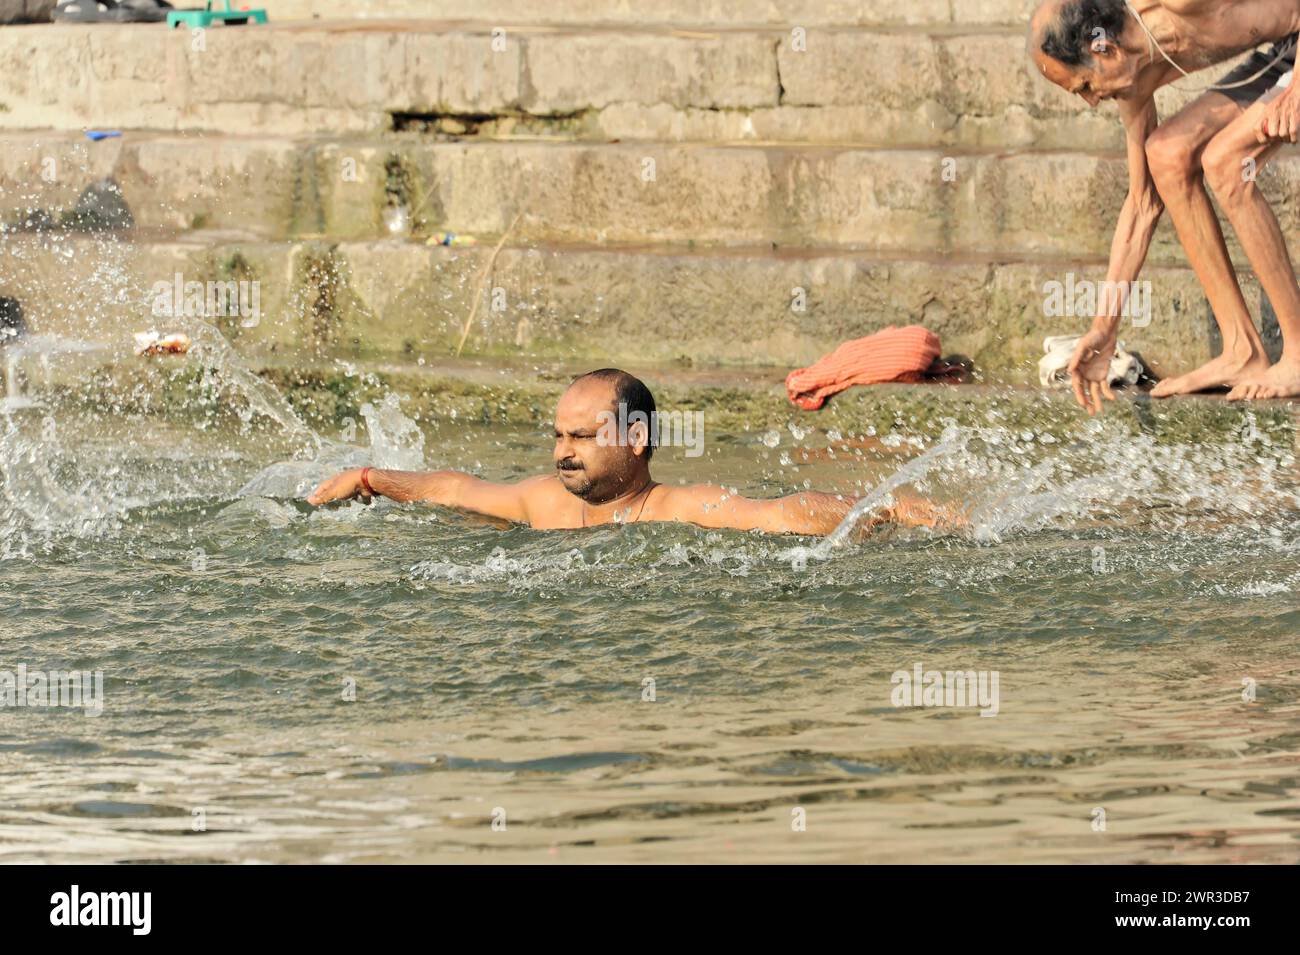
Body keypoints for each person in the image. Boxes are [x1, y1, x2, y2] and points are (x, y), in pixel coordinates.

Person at [1028, 0, 1300, 410]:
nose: (1090, 101)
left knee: (1225, 163)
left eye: (1084, 86)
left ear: (1104, 49)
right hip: (1286, 54)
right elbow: (1141, 204)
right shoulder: (1132, 76)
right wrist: (1105, 327)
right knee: (1167, 155)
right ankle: (1241, 349)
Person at [307, 368, 955, 535]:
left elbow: (782, 513)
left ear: (636, 439)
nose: (563, 452)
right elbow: (452, 488)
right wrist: (367, 477)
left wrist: (888, 508)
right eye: (559, 435)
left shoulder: (679, 507)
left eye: (582, 438)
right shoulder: (542, 502)